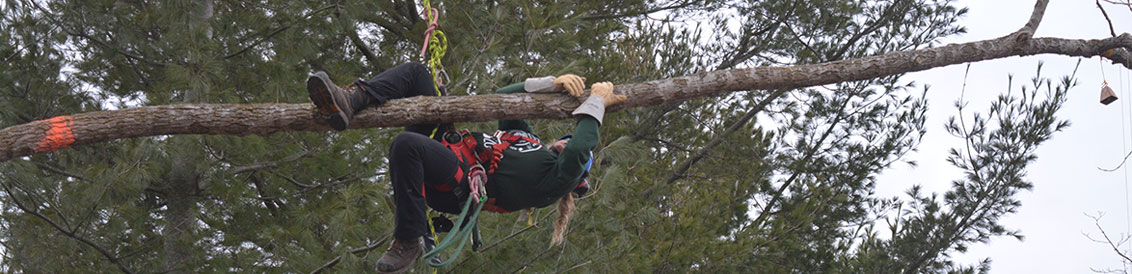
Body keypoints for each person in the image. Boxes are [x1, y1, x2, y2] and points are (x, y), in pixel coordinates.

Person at [305, 63, 626, 273]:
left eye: (573, 152)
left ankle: (407, 240)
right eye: (565, 140)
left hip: (458, 182)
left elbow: (582, 147)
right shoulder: (527, 139)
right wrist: (551, 84)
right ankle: (352, 99)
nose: (567, 145)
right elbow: (502, 98)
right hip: (445, 146)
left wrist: (597, 100)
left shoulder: (552, 183)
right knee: (418, 74)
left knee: (406, 147)